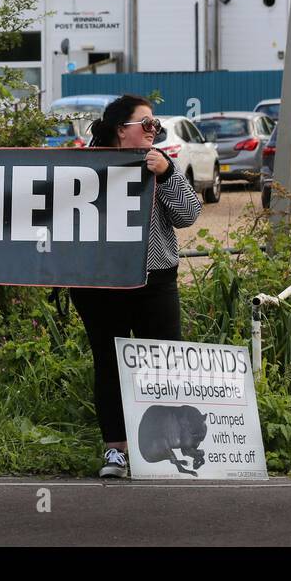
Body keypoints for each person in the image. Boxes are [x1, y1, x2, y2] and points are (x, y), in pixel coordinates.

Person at [70, 94, 201, 477]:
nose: (153, 131)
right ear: (119, 131)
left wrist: (166, 175)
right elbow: (30, 183)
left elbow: (189, 214)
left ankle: (163, 452)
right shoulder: (81, 167)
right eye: (145, 124)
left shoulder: (160, 164)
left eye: (155, 125)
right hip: (99, 283)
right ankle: (116, 450)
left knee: (163, 363)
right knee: (108, 365)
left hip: (154, 281)